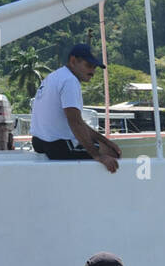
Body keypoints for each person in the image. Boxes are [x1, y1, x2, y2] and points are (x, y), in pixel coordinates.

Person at [29, 43, 122, 172]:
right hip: (58, 146)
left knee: (104, 145)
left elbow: (78, 122)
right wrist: (98, 156)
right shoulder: (70, 81)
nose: (92, 71)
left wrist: (104, 139)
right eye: (88, 66)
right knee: (112, 153)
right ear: (73, 61)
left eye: (95, 67)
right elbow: (75, 122)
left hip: (40, 142)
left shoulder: (54, 76)